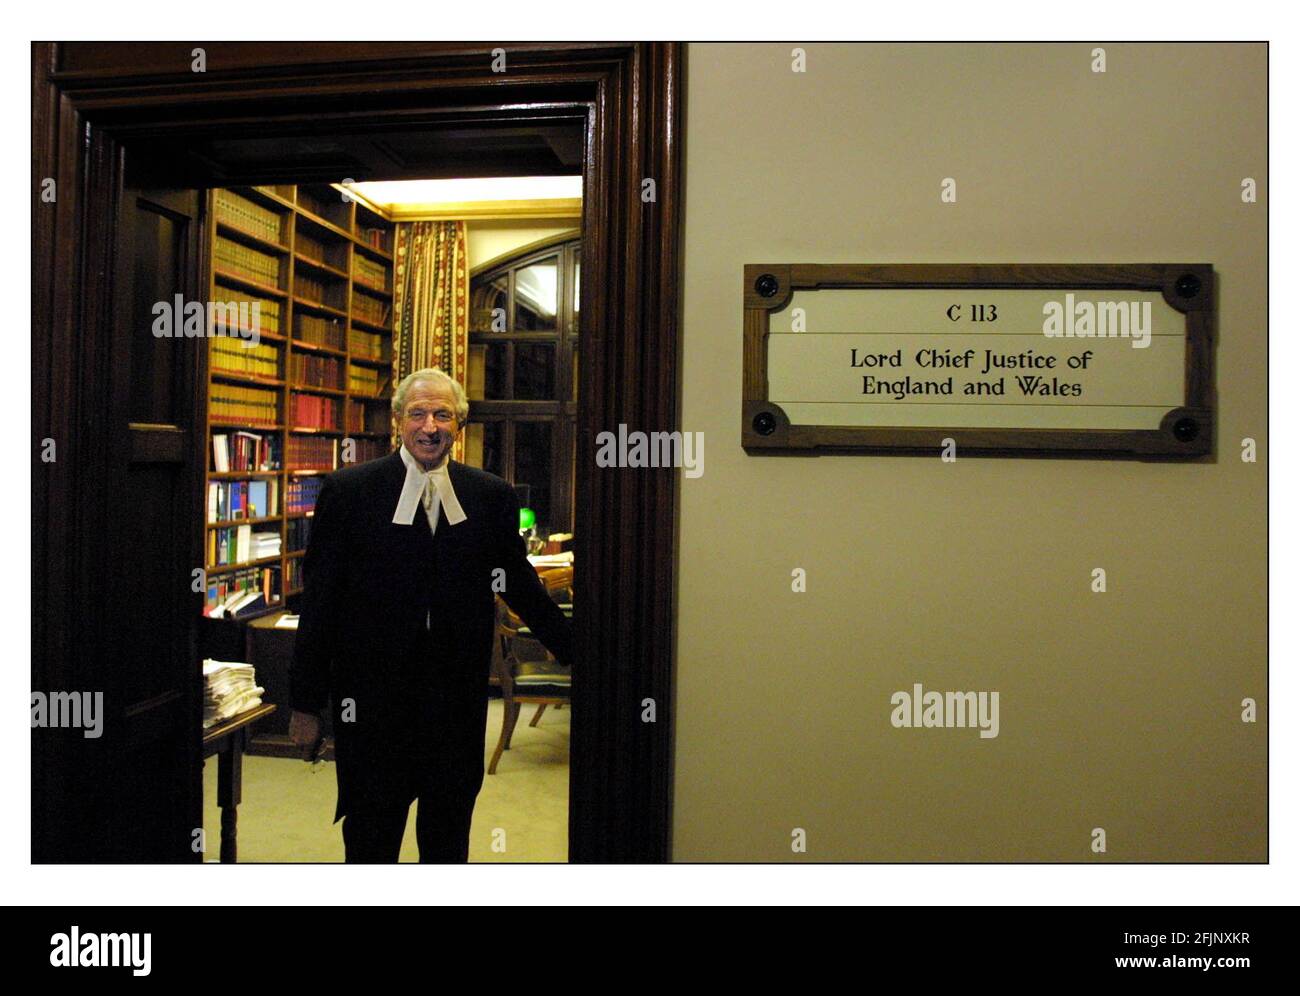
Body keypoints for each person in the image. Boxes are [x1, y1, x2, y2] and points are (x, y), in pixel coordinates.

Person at [288, 367, 573, 862]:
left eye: (443, 414)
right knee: (371, 845)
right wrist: (305, 703)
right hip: (373, 707)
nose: (429, 426)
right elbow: (320, 603)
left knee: (446, 848)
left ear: (458, 424)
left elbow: (519, 584)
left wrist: (576, 650)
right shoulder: (349, 491)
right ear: (398, 420)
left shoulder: (489, 496)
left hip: (454, 707)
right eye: (417, 413)